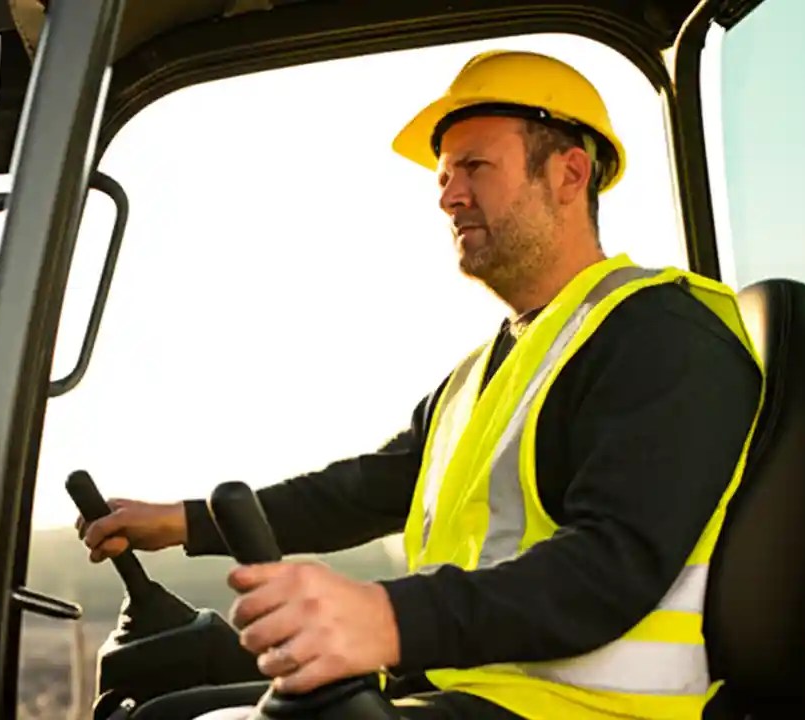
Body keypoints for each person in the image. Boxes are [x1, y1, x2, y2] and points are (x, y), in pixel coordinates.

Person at [77, 49, 764, 720]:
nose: (449, 195)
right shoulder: (484, 370)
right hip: (468, 688)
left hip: (584, 708)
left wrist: (385, 617)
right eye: (443, 177)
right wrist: (181, 522)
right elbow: (360, 492)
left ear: (569, 173)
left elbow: (610, 568)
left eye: (474, 167)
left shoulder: (663, 333)